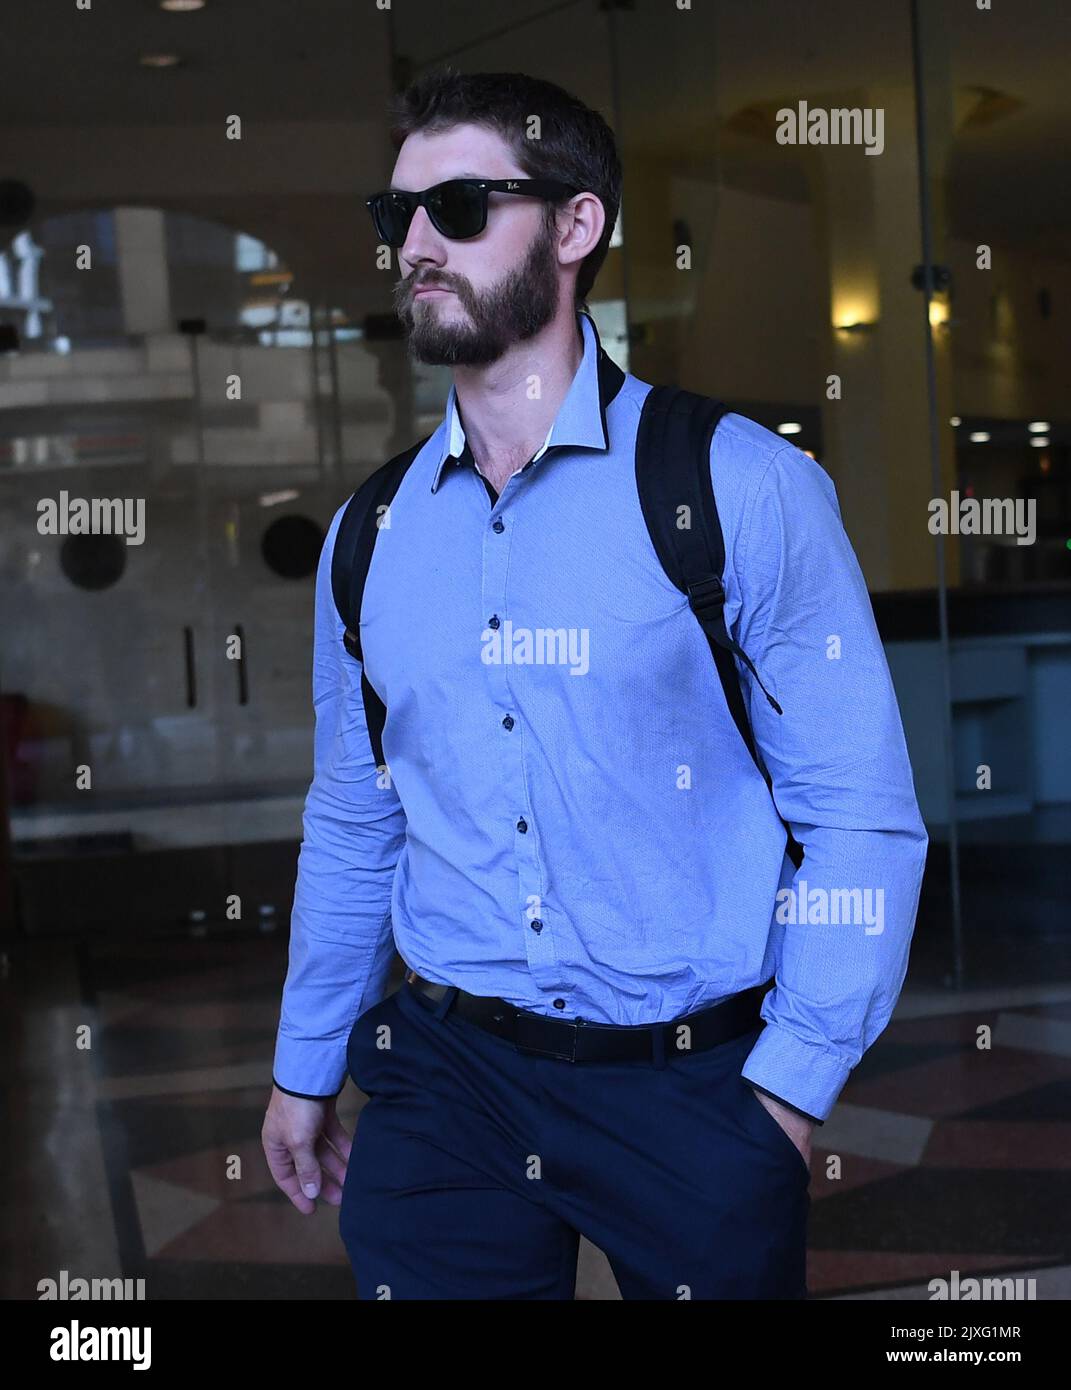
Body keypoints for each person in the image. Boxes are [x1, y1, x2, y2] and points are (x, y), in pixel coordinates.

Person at [261, 67, 928, 1300]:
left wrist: (787, 1094)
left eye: (461, 206)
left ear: (576, 226)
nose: (417, 244)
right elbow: (356, 817)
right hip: (447, 1082)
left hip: (694, 1091)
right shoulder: (371, 536)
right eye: (398, 213)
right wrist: (306, 1063)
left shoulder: (737, 486)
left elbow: (860, 817)